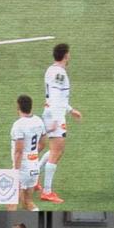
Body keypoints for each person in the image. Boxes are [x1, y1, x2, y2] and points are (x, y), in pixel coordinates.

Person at [34, 42, 74, 205]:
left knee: (53, 150)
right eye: (69, 54)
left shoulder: (52, 70)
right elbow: (57, 98)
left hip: (52, 113)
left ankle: (34, 179)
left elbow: (57, 97)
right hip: (55, 116)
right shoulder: (60, 74)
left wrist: (71, 110)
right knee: (57, 152)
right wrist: (56, 121)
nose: (70, 56)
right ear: (65, 55)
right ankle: (47, 191)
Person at [9, 96, 51, 212]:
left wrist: (15, 171)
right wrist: (32, 154)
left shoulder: (18, 125)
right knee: (28, 202)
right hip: (34, 167)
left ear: (18, 106)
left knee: (11, 203)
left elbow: (19, 151)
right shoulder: (38, 121)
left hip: (22, 168)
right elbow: (43, 143)